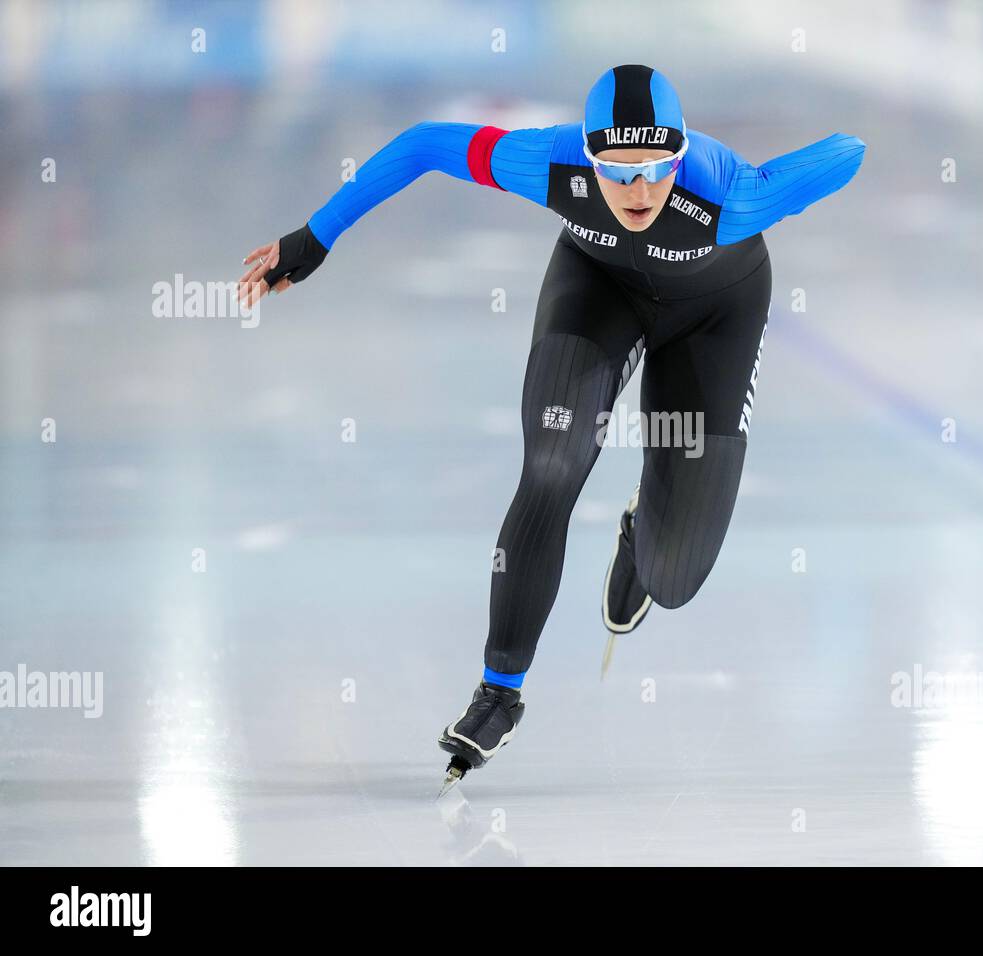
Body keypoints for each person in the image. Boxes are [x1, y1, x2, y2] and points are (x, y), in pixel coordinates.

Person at [238, 64, 864, 791]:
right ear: (588, 157)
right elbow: (422, 146)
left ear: (681, 151)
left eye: (658, 168)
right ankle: (498, 692)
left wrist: (774, 176)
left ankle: (643, 531)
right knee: (553, 466)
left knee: (676, 575)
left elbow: (848, 149)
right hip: (597, 294)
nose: (639, 191)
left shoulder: (730, 194)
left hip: (713, 317)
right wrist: (315, 237)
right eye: (617, 171)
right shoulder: (549, 162)